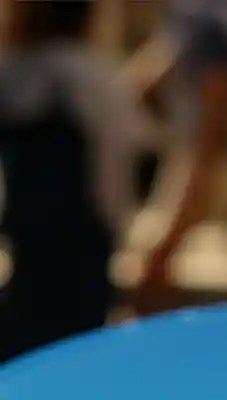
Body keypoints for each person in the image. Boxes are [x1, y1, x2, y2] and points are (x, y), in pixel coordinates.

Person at [0, 0, 142, 360]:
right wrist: (114, 228)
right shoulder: (92, 75)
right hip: (81, 247)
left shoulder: (13, 70)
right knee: (76, 352)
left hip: (27, 245)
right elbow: (114, 162)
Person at [127, 0, 227, 314]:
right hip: (224, 150)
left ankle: (146, 333)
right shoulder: (213, 15)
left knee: (158, 251)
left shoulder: (209, 19)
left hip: (210, 152)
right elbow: (153, 72)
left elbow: (218, 92)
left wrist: (202, 163)